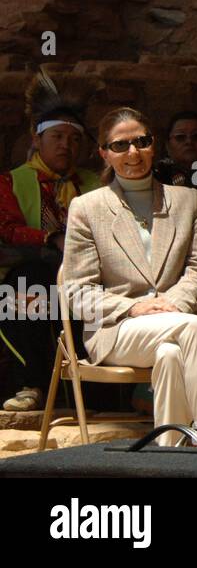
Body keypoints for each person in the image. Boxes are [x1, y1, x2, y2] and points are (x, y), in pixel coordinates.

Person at [61, 108, 197, 447]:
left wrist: (171, 304)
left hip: (171, 320)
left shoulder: (188, 201)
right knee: (196, 326)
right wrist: (134, 309)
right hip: (115, 328)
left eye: (141, 142)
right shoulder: (86, 208)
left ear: (154, 146)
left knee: (170, 354)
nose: (133, 153)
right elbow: (78, 292)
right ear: (104, 153)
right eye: (120, 146)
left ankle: (169, 453)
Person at [0, 71, 101, 412]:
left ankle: (91, 389)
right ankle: (30, 385)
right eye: (57, 137)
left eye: (74, 140)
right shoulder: (11, 182)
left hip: (88, 276)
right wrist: (51, 237)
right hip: (33, 273)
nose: (66, 146)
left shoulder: (96, 183)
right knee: (26, 287)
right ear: (37, 139)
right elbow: (8, 228)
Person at [153, 111, 197, 187]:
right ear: (168, 145)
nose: (189, 141)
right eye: (180, 137)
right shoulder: (156, 178)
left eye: (196, 136)